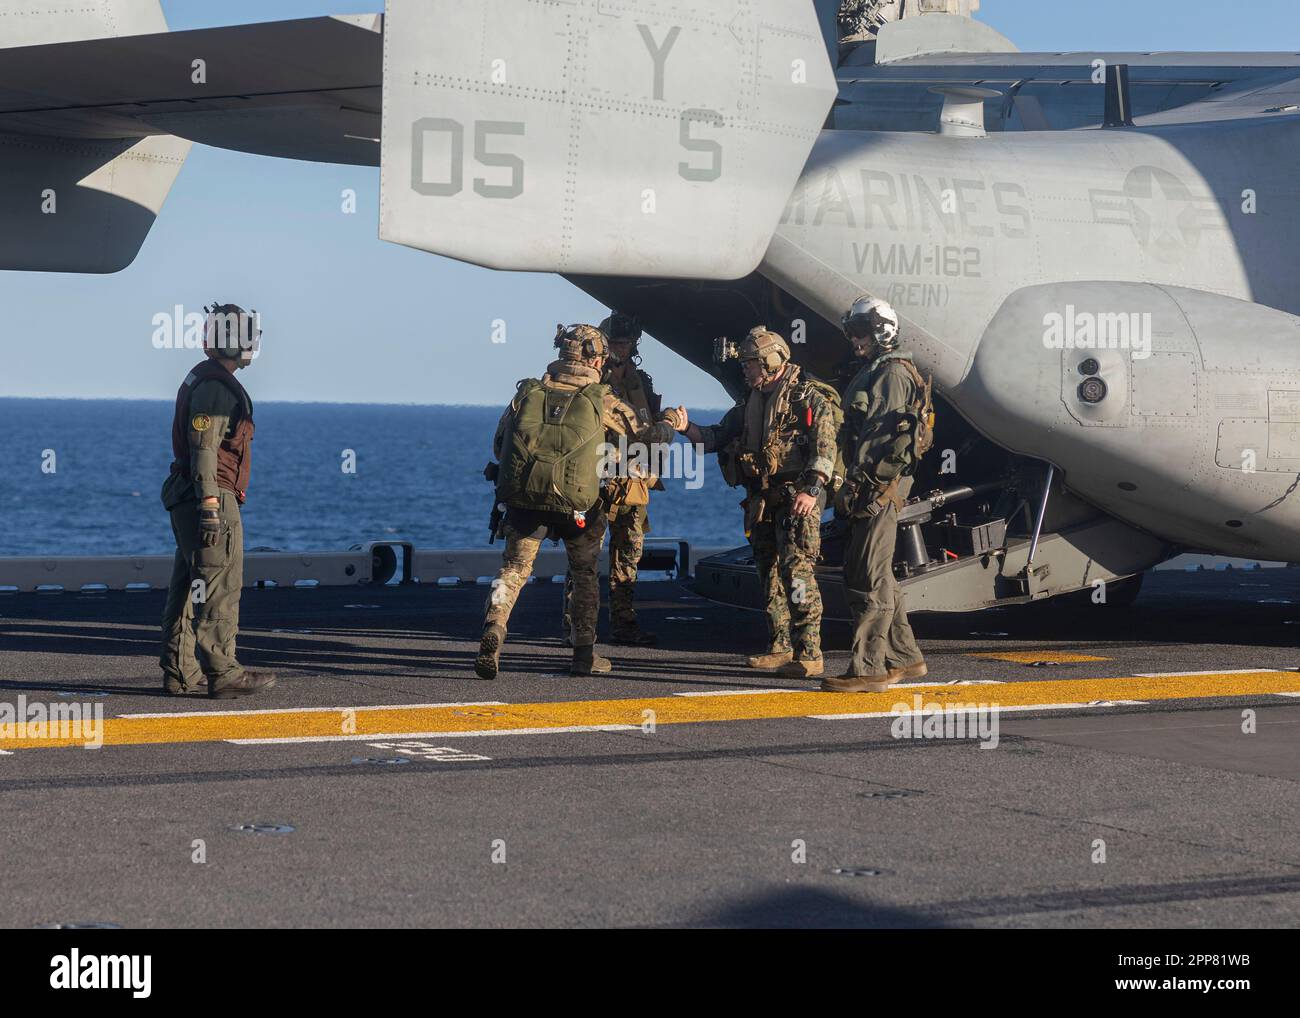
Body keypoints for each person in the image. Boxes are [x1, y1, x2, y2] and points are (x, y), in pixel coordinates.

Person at [478, 324, 686, 679]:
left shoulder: (528, 393)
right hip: (579, 507)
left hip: (525, 503)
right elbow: (645, 436)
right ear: (596, 357)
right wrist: (671, 423)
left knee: (513, 571)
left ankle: (494, 628)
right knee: (585, 575)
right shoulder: (599, 397)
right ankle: (583, 655)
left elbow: (500, 446)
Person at [679, 327, 838, 679]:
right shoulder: (749, 403)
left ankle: (810, 653)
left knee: (798, 574)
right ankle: (779, 647)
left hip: (797, 500)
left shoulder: (808, 399)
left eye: (750, 364)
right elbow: (714, 438)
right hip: (762, 501)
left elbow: (825, 451)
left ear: (770, 361)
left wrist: (810, 491)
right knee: (768, 573)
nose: (745, 371)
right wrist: (685, 427)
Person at [159, 303, 275, 699]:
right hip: (211, 496)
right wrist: (211, 504)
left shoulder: (202, 378)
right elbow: (205, 447)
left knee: (190, 585)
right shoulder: (216, 388)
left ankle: (179, 669)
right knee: (218, 584)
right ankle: (223, 671)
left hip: (189, 495)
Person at [822, 296, 929, 693]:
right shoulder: (882, 370)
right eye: (852, 331)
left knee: (866, 575)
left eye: (861, 331)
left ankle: (868, 669)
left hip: (876, 489)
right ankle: (904, 656)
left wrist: (855, 487)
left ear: (882, 330)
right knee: (877, 571)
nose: (855, 339)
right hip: (878, 487)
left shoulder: (890, 376)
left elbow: (877, 440)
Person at [561, 312, 666, 646]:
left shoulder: (641, 381)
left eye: (627, 342)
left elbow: (646, 426)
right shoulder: (590, 381)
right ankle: (574, 628)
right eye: (616, 343)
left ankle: (624, 623)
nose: (622, 348)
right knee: (584, 557)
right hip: (595, 481)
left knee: (629, 553)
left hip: (633, 481)